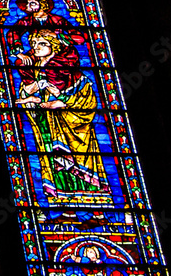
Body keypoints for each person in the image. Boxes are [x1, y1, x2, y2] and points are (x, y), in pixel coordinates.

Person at [13, 24, 108, 203]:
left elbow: (86, 97)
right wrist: (31, 101)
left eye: (41, 43)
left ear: (53, 45)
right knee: (54, 167)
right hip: (47, 127)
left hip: (72, 128)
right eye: (34, 44)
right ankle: (64, 206)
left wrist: (63, 103)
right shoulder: (33, 70)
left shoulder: (67, 70)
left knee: (79, 167)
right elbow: (31, 95)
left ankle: (94, 207)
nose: (36, 48)